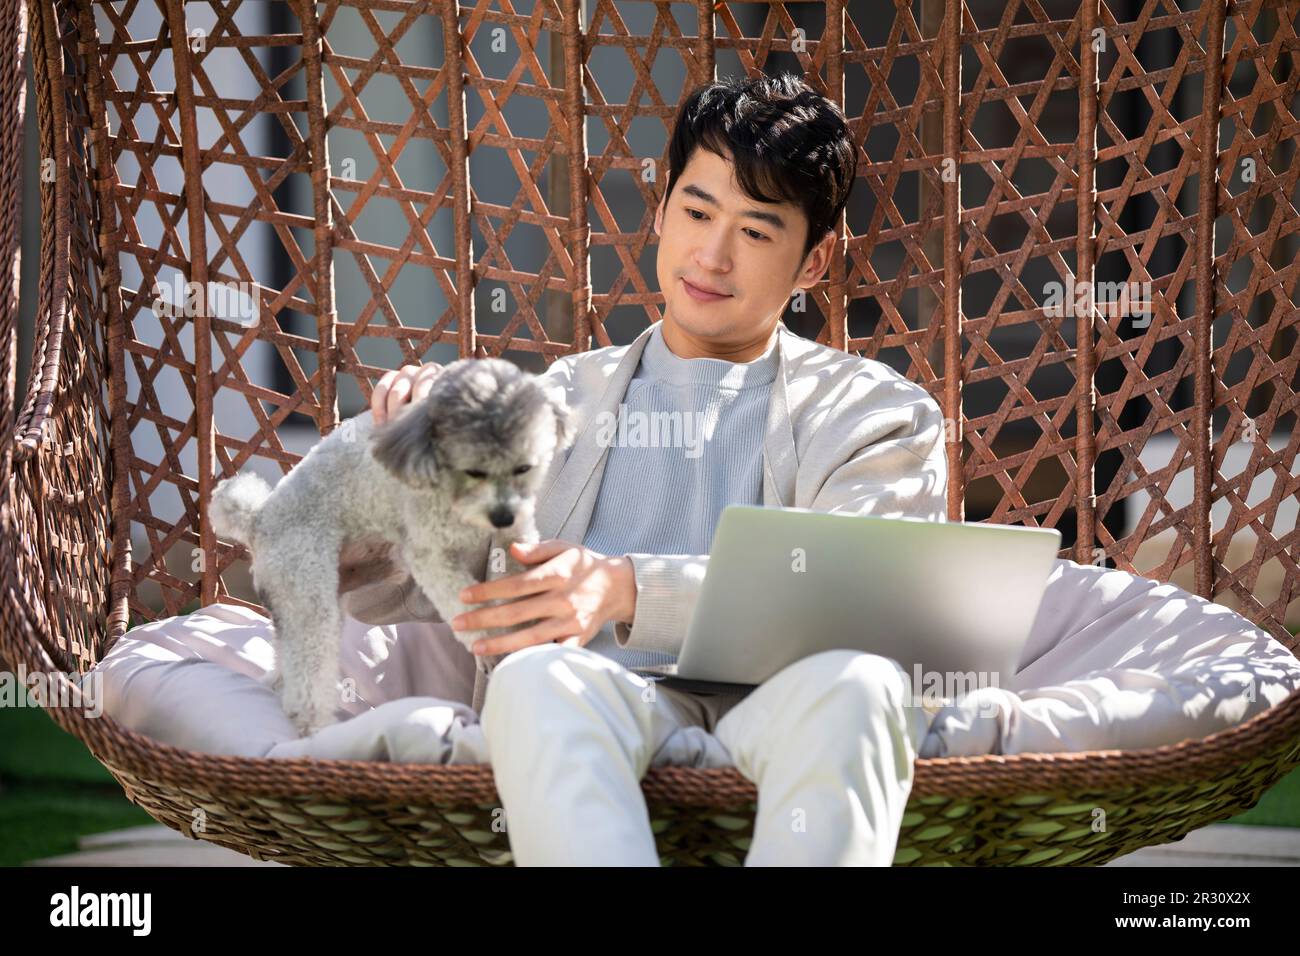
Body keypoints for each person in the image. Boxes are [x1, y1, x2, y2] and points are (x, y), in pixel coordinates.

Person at [345, 73, 948, 866]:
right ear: (660, 212)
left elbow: (862, 603)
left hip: (786, 708)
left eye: (757, 232)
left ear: (813, 261)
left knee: (865, 687)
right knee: (535, 681)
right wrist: (394, 455)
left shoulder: (877, 414)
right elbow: (375, 581)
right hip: (599, 702)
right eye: (696, 213)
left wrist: (626, 588)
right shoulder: (546, 407)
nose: (712, 255)